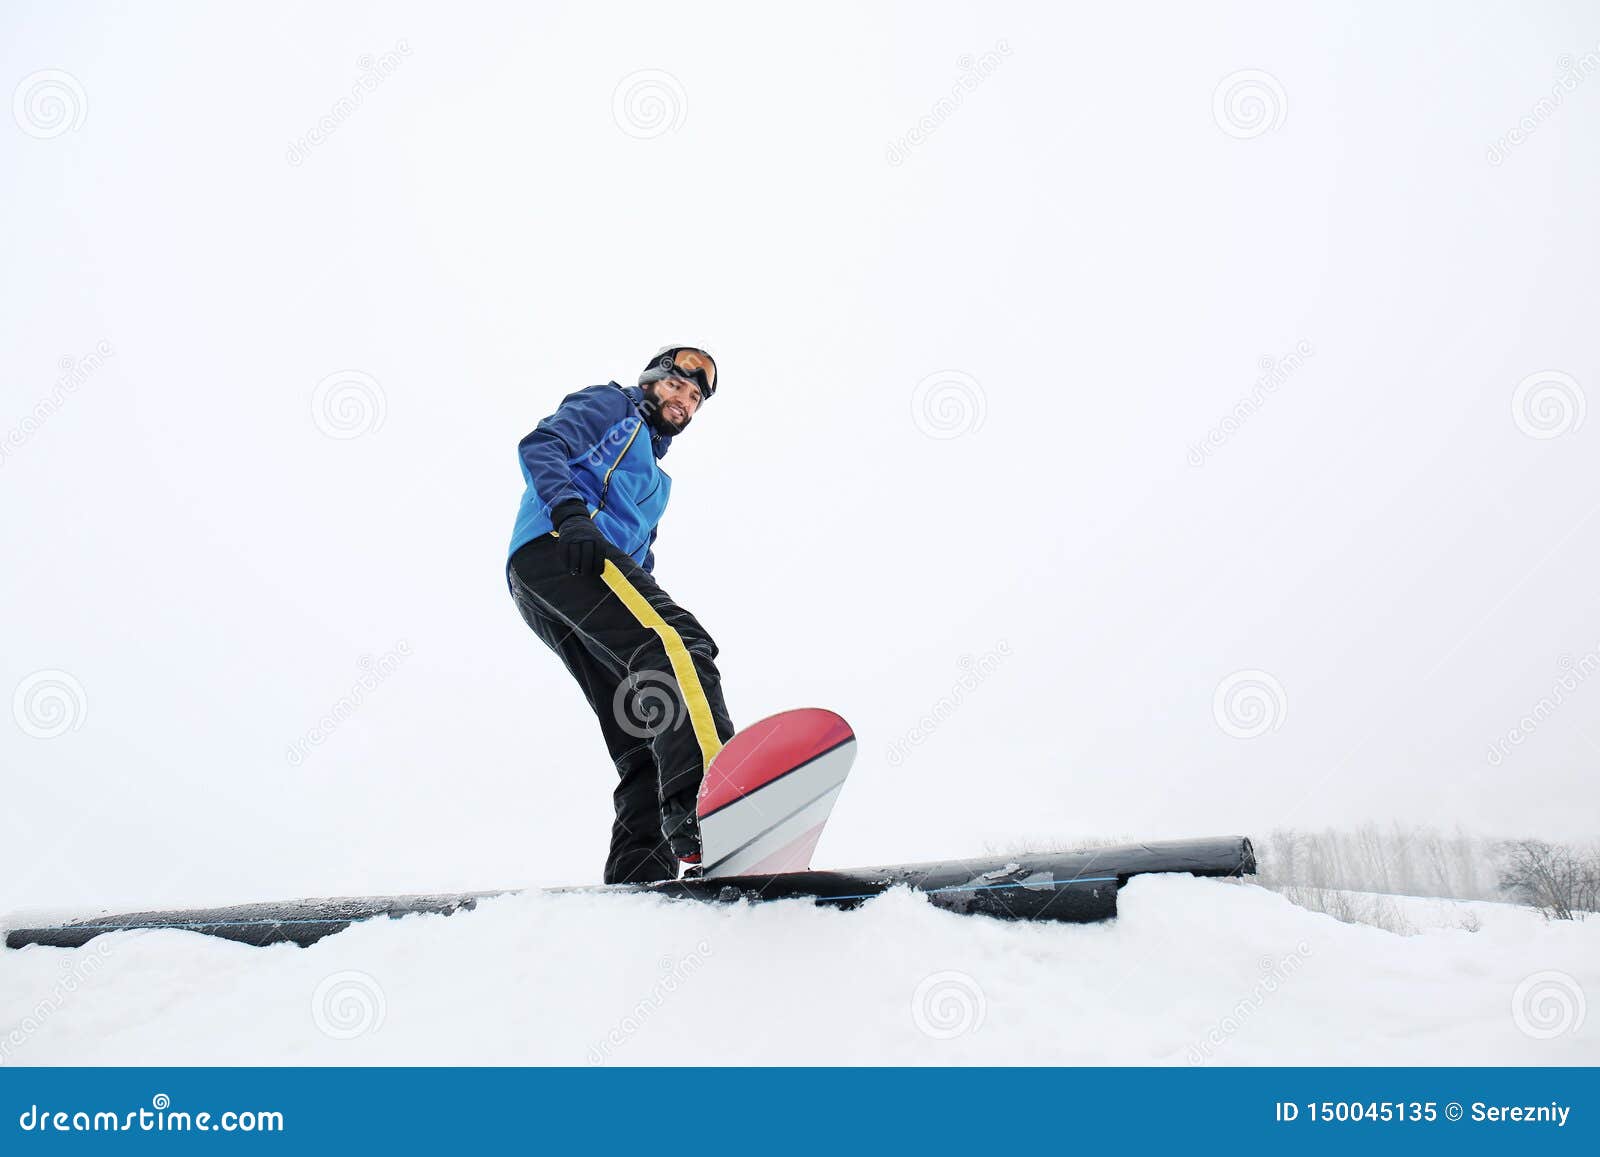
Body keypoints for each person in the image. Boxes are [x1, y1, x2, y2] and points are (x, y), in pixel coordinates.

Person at [506, 346, 735, 884]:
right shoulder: (614, 408)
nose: (685, 400)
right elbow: (543, 444)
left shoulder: (657, 482)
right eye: (677, 385)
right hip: (563, 548)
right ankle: (716, 815)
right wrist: (569, 513)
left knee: (643, 727)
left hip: (557, 579)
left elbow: (640, 565)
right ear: (652, 381)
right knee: (677, 642)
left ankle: (640, 882)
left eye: (696, 396)